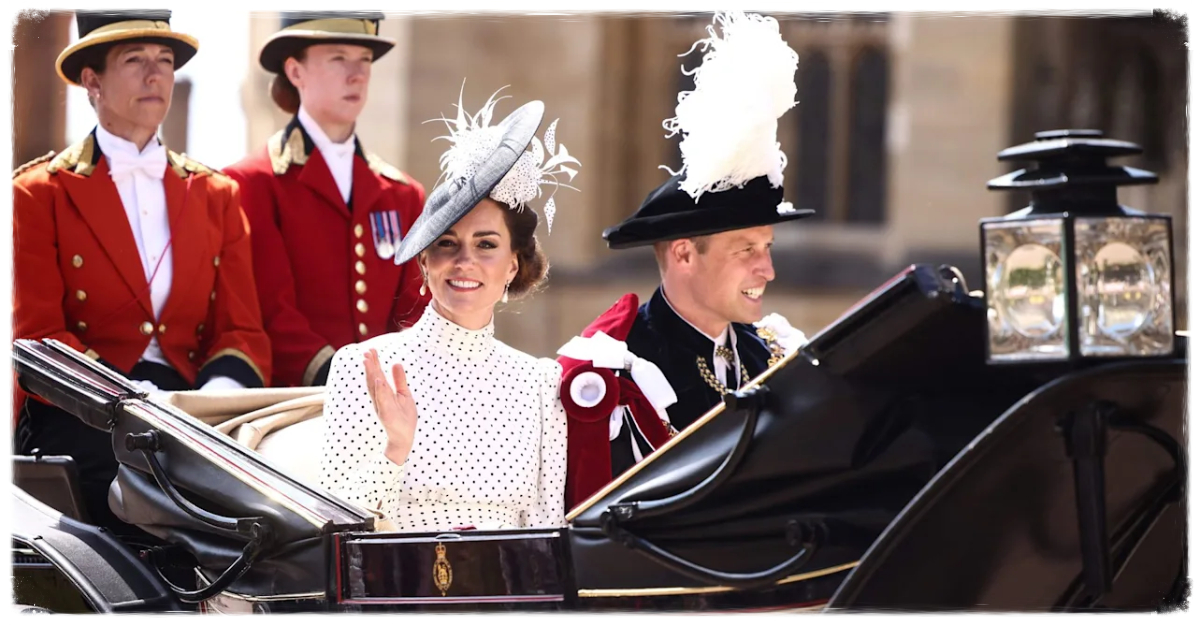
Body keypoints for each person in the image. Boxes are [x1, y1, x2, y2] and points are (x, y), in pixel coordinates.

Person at [12, 10, 271, 530]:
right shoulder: (36, 193)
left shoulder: (216, 194)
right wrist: (127, 400)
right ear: (92, 81)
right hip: (81, 410)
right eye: (135, 60)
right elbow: (36, 338)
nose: (156, 75)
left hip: (192, 407)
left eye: (165, 61)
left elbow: (242, 331)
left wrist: (212, 402)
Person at [557, 11, 813, 508]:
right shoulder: (617, 372)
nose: (768, 270)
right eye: (746, 250)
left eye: (768, 249)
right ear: (683, 254)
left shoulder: (772, 354)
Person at [318, 87, 581, 531]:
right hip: (400, 590)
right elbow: (332, 523)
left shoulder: (541, 382)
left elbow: (546, 527)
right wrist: (396, 448)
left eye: (486, 245)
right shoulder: (362, 366)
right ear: (425, 262)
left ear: (513, 265)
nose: (465, 262)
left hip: (509, 595)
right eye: (446, 244)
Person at [223, 12, 429, 388]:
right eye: (338, 58)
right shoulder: (251, 182)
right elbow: (271, 312)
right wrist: (345, 379)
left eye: (364, 61)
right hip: (295, 402)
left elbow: (414, 311)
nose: (357, 74)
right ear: (295, 71)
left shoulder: (403, 194)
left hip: (393, 404)